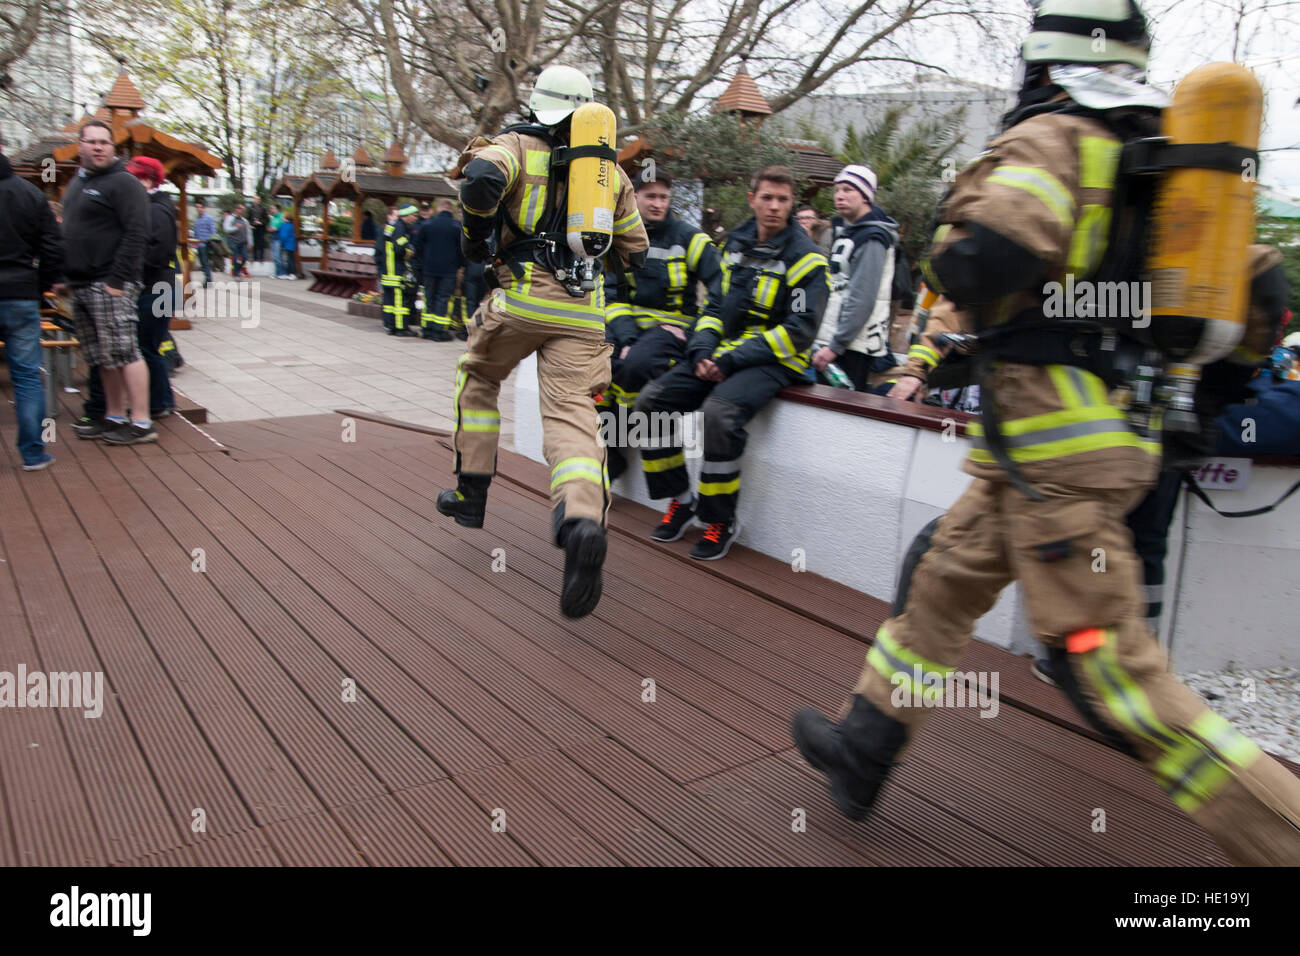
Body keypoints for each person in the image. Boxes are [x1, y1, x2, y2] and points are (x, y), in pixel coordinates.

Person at [791, 0, 1300, 866]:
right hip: (1074, 447)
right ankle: (864, 747)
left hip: (1054, 454)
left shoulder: (1056, 137)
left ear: (1042, 61)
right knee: (944, 581)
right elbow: (1263, 308)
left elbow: (989, 258)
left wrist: (960, 240)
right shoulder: (1179, 171)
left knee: (1108, 672)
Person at [437, 64, 649, 618]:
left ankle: (471, 492)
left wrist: (478, 237)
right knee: (573, 414)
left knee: (479, 377)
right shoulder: (607, 173)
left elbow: (480, 179)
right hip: (583, 315)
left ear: (538, 102)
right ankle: (581, 519)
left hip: (520, 299)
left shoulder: (512, 145)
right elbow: (637, 249)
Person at [634, 165, 830, 560]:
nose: (774, 207)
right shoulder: (735, 245)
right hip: (723, 353)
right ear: (751, 199)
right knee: (648, 405)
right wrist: (703, 351)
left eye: (783, 200)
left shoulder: (807, 260)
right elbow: (715, 307)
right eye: (767, 198)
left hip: (776, 359)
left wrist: (731, 358)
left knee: (717, 416)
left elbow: (798, 331)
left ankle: (719, 520)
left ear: (792, 204)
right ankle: (680, 499)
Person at [600, 170, 724, 487]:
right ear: (634, 197)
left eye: (663, 196)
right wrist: (625, 338)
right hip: (627, 327)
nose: (658, 203)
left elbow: (722, 289)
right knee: (594, 363)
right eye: (650, 196)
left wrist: (696, 331)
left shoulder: (689, 237)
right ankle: (610, 450)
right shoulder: (620, 237)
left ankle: (617, 445)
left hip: (671, 331)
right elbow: (611, 295)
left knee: (634, 366)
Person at [56, 120, 155, 445]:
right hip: (82, 284)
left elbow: (137, 232)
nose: (98, 147)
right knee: (101, 356)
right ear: (80, 145)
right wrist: (67, 278)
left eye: (104, 142)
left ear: (113, 148)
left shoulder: (123, 183)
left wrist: (117, 280)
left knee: (126, 352)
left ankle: (141, 422)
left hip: (110, 283)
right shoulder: (77, 184)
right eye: (92, 141)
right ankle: (113, 416)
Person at [0, 135, 64, 471]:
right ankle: (33, 452)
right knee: (26, 377)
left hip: (20, 290)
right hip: (20, 293)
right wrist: (37, 287)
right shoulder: (29, 194)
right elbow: (53, 248)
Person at [811, 165, 900, 391]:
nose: (840, 196)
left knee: (838, 414)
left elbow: (862, 298)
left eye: (848, 189)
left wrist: (835, 346)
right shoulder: (848, 231)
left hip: (852, 346)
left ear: (866, 196)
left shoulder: (873, 237)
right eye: (837, 189)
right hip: (837, 340)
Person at [414, 197, 463, 341]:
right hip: (449, 270)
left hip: (429, 269)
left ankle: (427, 329)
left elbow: (417, 246)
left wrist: (424, 262)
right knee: (443, 299)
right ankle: (439, 331)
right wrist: (460, 264)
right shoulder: (456, 227)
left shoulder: (427, 225)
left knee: (429, 298)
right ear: (450, 209)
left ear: (438, 209)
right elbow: (462, 250)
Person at [375, 204, 419, 335]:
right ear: (406, 215)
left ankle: (390, 325)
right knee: (400, 302)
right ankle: (401, 328)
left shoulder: (390, 227)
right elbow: (399, 249)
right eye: (414, 215)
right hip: (397, 271)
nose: (415, 218)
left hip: (388, 270)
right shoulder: (401, 229)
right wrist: (409, 253)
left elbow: (381, 248)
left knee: (389, 302)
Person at [193, 197, 216, 286]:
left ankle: (208, 280)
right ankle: (207, 279)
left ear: (203, 208)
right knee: (203, 263)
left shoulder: (209, 218)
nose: (198, 209)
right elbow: (195, 233)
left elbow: (213, 232)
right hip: (199, 245)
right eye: (197, 207)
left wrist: (207, 240)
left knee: (206, 263)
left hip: (206, 244)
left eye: (200, 207)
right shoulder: (197, 220)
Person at [223, 203, 251, 277]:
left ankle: (237, 270)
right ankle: (236, 273)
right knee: (235, 258)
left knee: (245, 257)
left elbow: (248, 232)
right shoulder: (230, 218)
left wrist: (250, 242)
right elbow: (226, 229)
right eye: (240, 209)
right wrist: (235, 228)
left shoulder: (245, 220)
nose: (242, 211)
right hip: (233, 242)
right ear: (236, 209)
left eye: (243, 210)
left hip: (243, 242)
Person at [278, 214, 297, 279]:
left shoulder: (285, 225)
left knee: (289, 259)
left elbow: (283, 236)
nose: (282, 218)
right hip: (291, 244)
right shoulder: (291, 225)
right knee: (290, 259)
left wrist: (282, 243)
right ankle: (289, 273)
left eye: (283, 217)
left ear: (286, 218)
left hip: (287, 244)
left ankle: (291, 273)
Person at [249, 198, 268, 262]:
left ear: (259, 200)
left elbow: (266, 219)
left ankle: (261, 257)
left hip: (261, 228)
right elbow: (249, 218)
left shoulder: (263, 208)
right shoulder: (251, 208)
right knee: (254, 242)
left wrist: (261, 222)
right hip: (253, 227)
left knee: (261, 242)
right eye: (255, 199)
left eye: (257, 199)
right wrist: (250, 224)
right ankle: (255, 257)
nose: (256, 200)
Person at [268, 203, 284, 275]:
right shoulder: (272, 217)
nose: (271, 210)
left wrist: (275, 228)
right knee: (274, 256)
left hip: (278, 238)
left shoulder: (281, 216)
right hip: (272, 237)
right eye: (271, 208)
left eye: (272, 208)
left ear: (277, 209)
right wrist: (270, 228)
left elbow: (279, 227)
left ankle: (281, 273)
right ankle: (277, 273)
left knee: (278, 256)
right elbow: (270, 227)